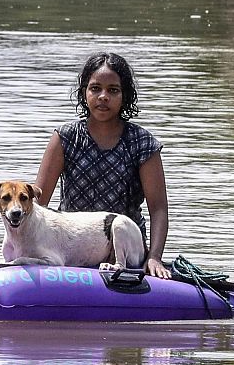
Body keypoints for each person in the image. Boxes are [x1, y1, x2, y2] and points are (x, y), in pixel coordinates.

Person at [33, 52, 171, 279]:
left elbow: (158, 209)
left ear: (124, 96)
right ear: (84, 93)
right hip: (71, 247)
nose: (103, 96)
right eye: (95, 88)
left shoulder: (142, 143)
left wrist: (154, 257)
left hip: (124, 250)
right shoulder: (66, 138)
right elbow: (37, 205)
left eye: (113, 90)